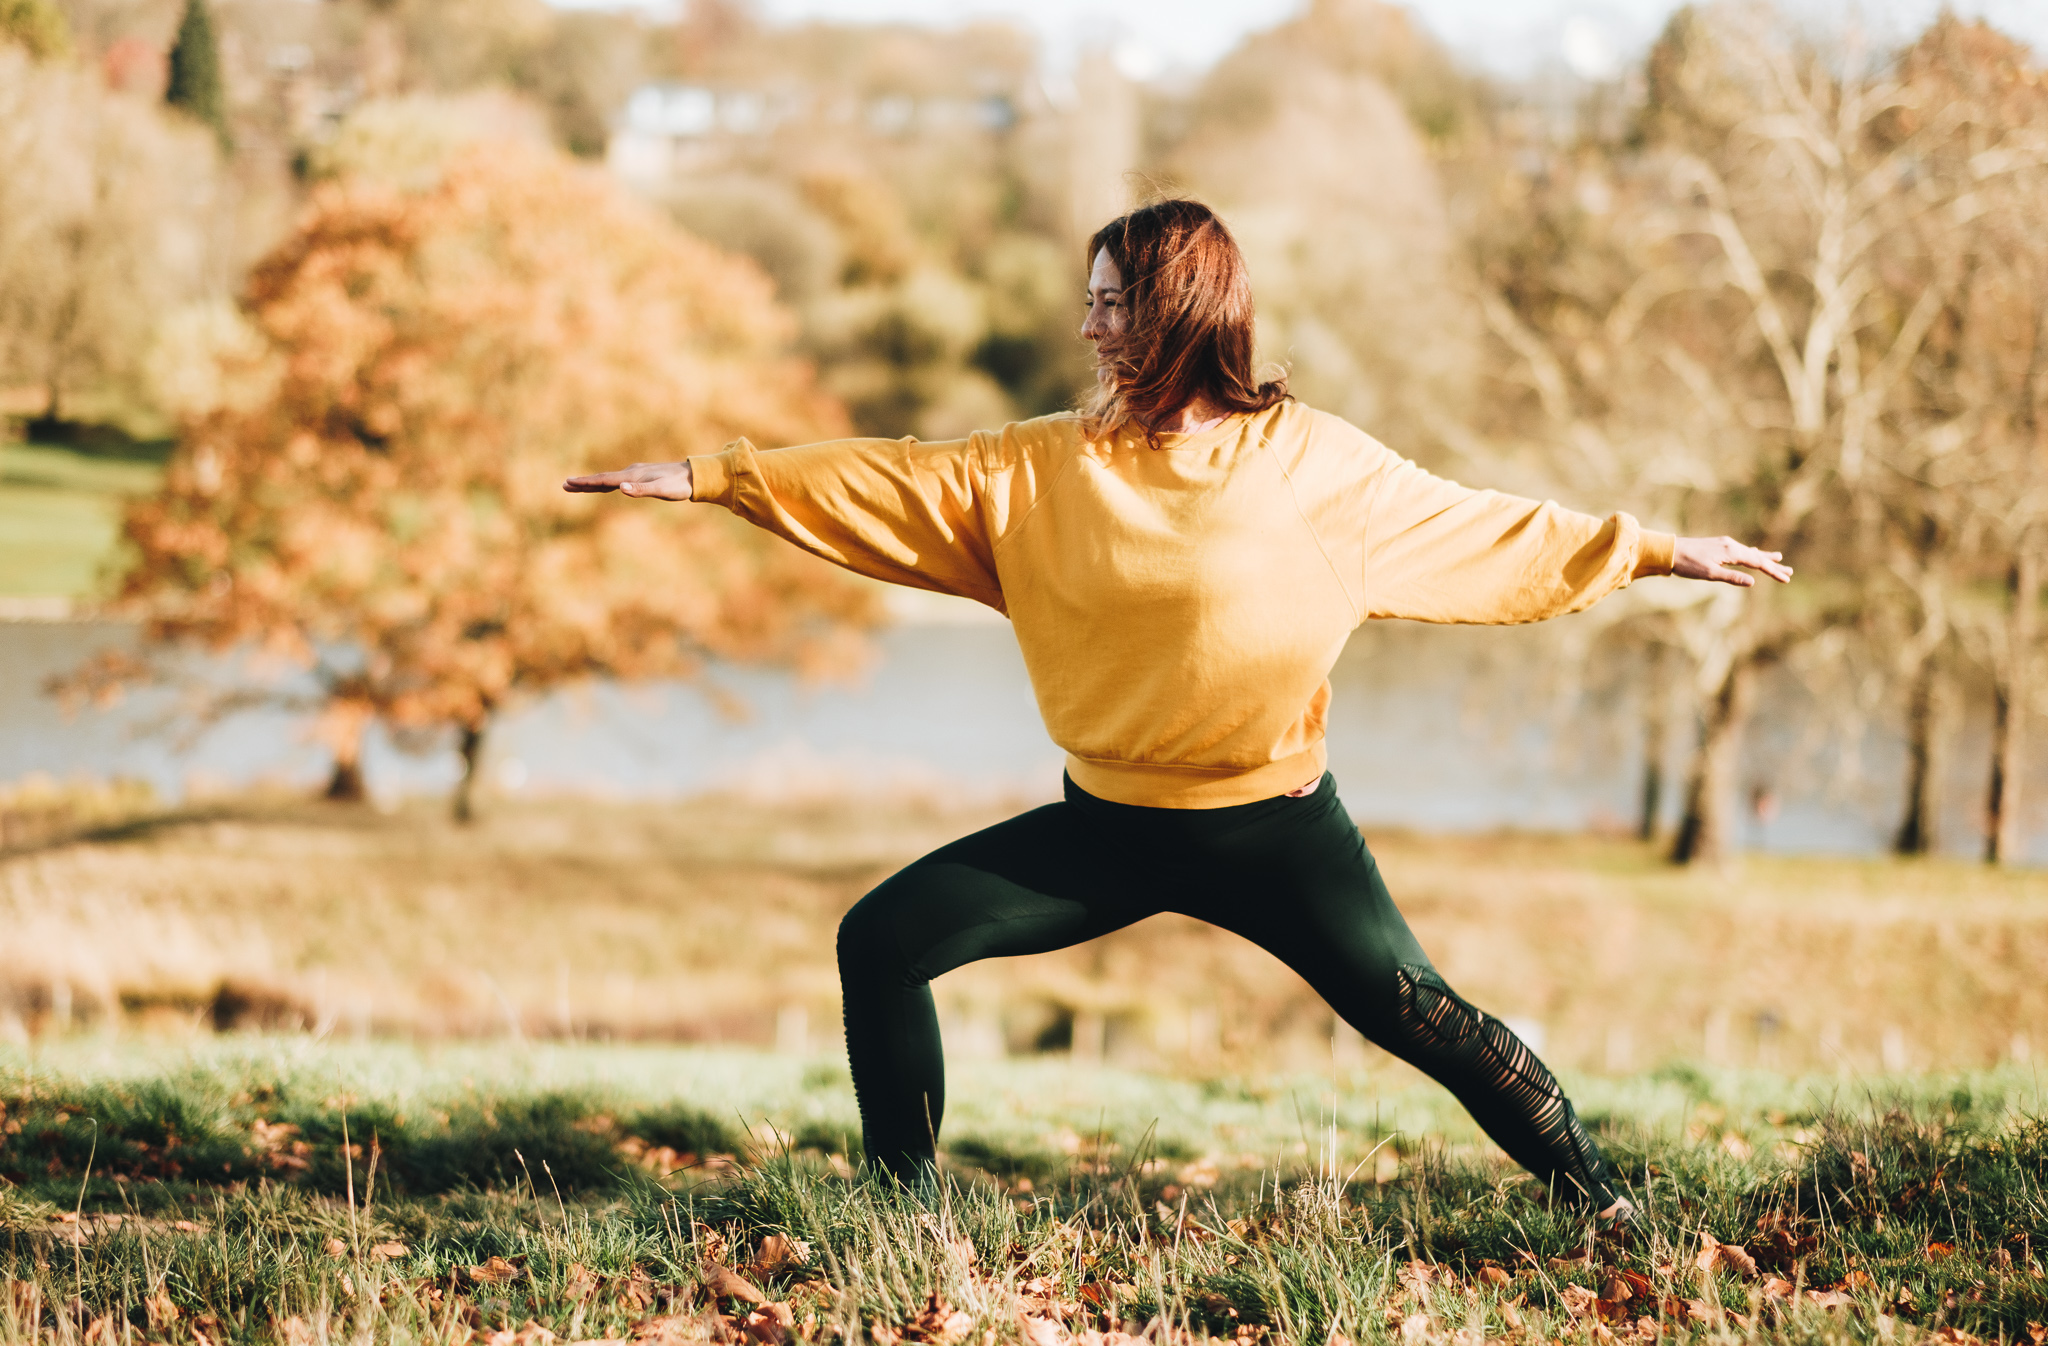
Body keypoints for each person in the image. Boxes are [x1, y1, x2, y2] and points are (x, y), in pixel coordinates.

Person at [566, 199, 1790, 1222]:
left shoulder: (1310, 464)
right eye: (1089, 300)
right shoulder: (1038, 466)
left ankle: (1600, 1198)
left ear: (1180, 311)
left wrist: (1653, 550)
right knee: (879, 942)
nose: (1089, 324)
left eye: (1112, 302)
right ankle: (898, 1216)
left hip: (1276, 834)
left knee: (1420, 1018)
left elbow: (1482, 530)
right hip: (1103, 829)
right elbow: (893, 474)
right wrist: (718, 479)